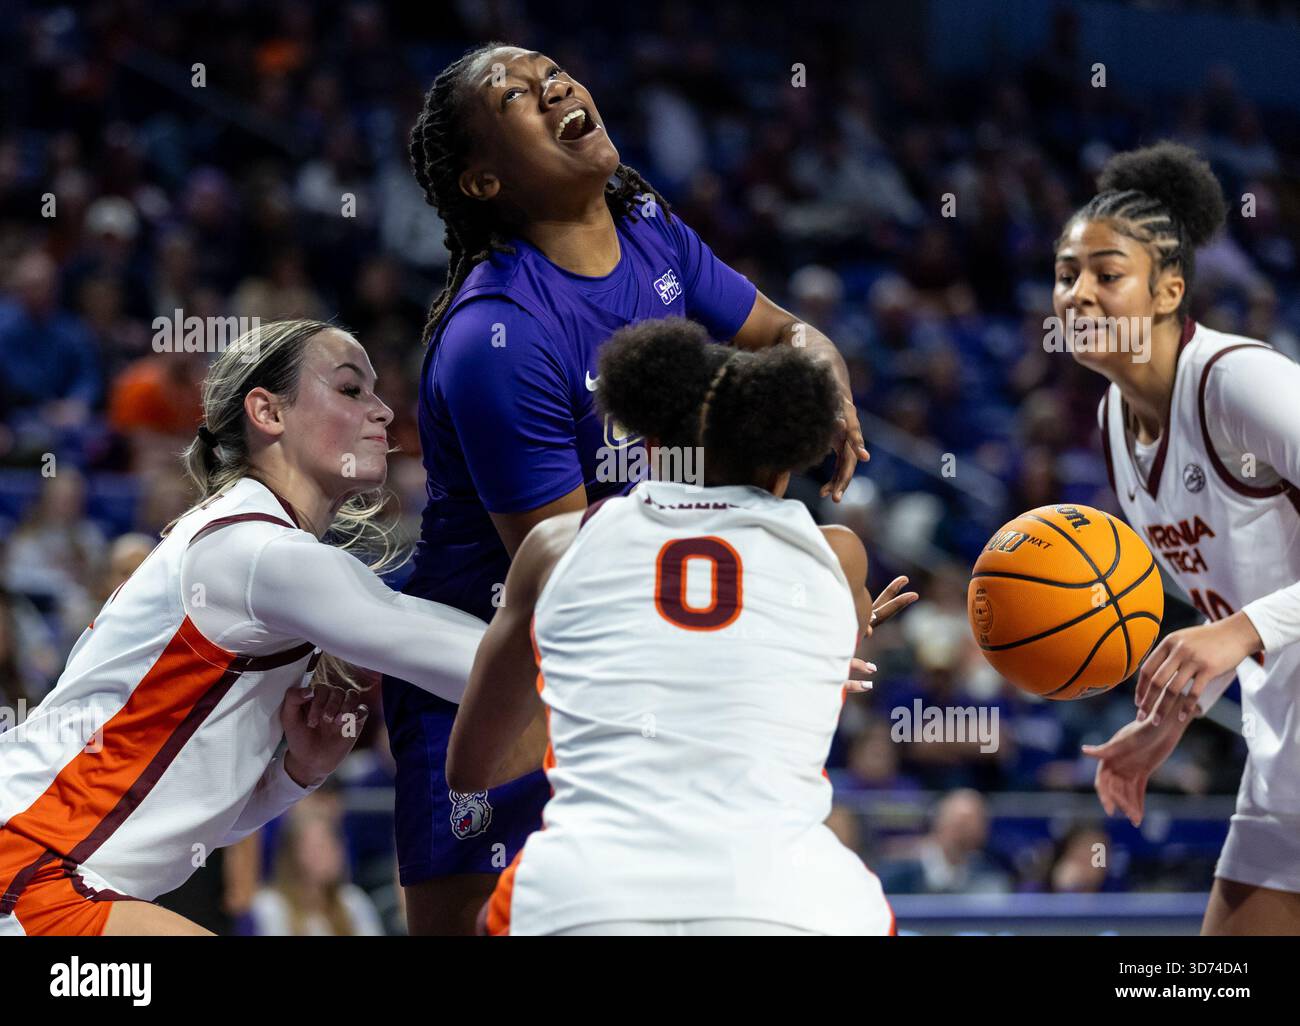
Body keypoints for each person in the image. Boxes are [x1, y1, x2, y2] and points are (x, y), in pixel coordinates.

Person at [394, 41, 871, 934]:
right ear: (484, 182)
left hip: (618, 653)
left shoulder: (648, 227)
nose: (555, 88)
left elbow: (786, 334)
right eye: (516, 99)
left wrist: (825, 384)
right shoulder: (497, 338)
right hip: (484, 673)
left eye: (552, 73)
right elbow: (568, 586)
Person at [0, 319, 487, 936]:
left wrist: (294, 775)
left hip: (53, 869)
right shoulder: (254, 551)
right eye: (350, 389)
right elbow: (448, 654)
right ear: (267, 412)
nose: (385, 410)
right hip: (28, 861)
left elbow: (191, 825)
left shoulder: (243, 542)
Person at [447, 318, 915, 935]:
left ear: (649, 444)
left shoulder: (556, 546)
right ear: (781, 465)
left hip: (584, 898)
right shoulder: (837, 556)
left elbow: (470, 768)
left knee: (489, 920)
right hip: (796, 905)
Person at [1053, 143, 1300, 934]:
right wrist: (1171, 715)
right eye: (1066, 275)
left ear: (1169, 289)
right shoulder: (1113, 426)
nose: (1078, 295)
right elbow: (1237, 596)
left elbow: (1243, 620)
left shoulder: (1238, 382)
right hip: (1283, 748)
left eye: (1107, 275)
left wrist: (1243, 630)